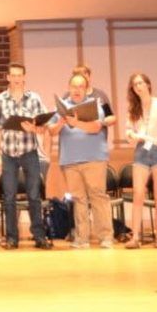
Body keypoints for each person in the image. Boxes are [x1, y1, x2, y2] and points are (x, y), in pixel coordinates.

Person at [48, 72, 113, 249]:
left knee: (98, 196)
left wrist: (75, 123)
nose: (77, 90)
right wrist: (62, 122)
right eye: (74, 86)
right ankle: (82, 238)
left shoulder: (95, 106)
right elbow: (52, 131)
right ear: (68, 88)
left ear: (86, 89)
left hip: (94, 159)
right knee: (78, 199)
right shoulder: (62, 107)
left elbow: (95, 127)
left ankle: (105, 237)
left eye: (81, 87)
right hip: (70, 160)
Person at [0, 62, 51, 250]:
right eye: (13, 75)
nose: (17, 79)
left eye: (20, 75)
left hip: (29, 151)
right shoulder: (0, 100)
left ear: (24, 77)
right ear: (7, 77)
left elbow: (44, 126)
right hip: (8, 153)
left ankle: (39, 236)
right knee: (9, 196)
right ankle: (11, 238)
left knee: (34, 195)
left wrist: (33, 127)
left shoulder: (34, 98)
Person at [123, 72, 157, 248]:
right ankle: (135, 236)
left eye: (141, 83)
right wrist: (131, 134)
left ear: (148, 85)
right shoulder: (133, 108)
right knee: (138, 194)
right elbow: (128, 130)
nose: (138, 86)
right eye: (135, 84)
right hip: (141, 150)